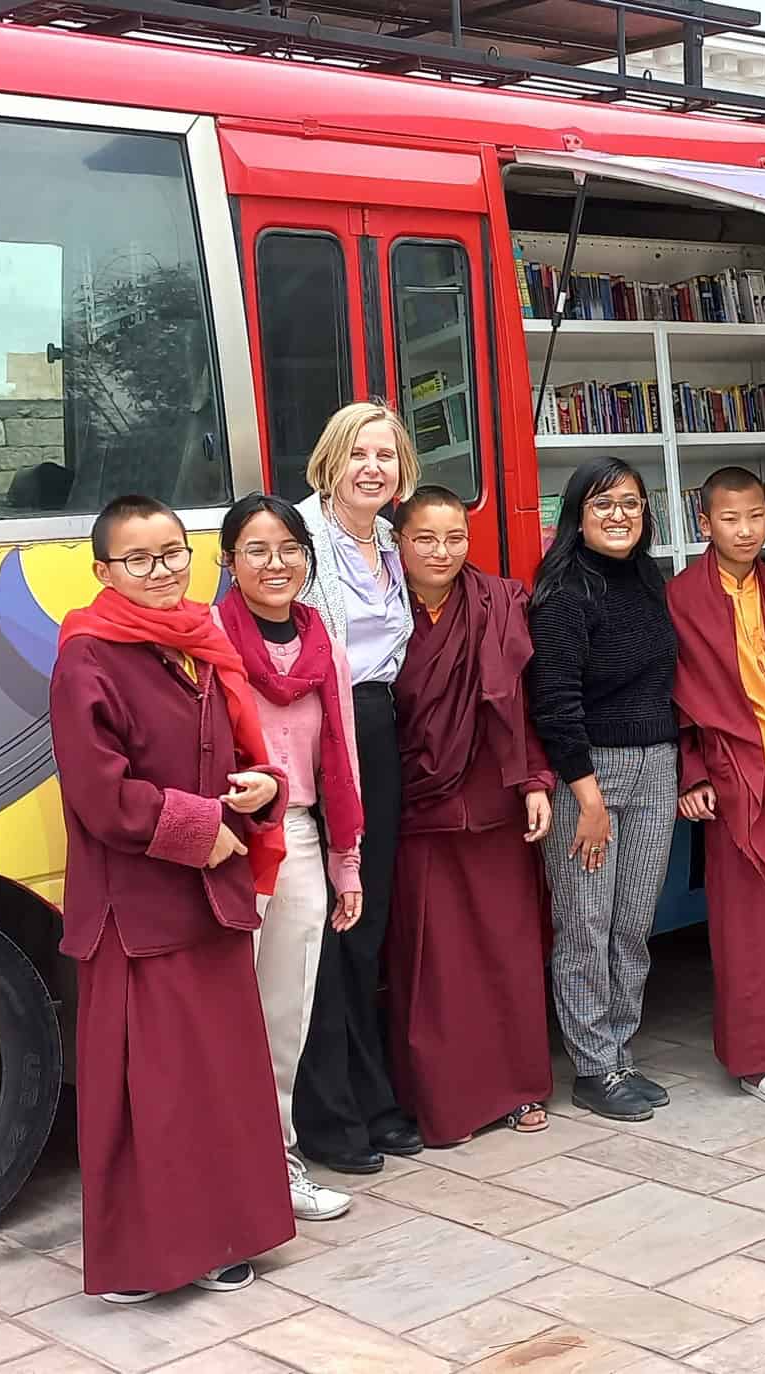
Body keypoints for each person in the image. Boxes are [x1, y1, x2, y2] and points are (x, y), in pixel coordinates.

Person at [49, 495, 295, 1303]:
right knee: (144, 1090)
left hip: (208, 902)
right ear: (103, 572)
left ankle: (226, 1238)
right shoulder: (87, 657)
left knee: (218, 1081)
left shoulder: (200, 637)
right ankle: (143, 1260)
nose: (161, 572)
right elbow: (99, 792)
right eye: (139, 559)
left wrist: (261, 791)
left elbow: (233, 748)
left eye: (172, 553)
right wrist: (202, 831)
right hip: (135, 905)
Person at [386, 486, 560, 1145]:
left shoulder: (501, 601)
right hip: (416, 806)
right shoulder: (378, 609)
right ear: (398, 541)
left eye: (454, 537)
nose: (441, 551)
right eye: (425, 538)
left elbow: (526, 701)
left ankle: (518, 1089)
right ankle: (445, 1100)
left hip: (494, 799)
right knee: (432, 963)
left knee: (506, 953)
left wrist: (536, 781)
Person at [212, 493, 360, 1223]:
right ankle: (222, 1172)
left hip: (297, 835)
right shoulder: (206, 636)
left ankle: (279, 1161)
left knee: (284, 1013)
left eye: (289, 549)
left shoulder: (318, 636)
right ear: (228, 561)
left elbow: (342, 750)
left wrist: (346, 859)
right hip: (228, 841)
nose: (276, 564)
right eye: (257, 550)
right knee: (219, 1012)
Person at [287, 402, 422, 1174]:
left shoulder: (390, 544)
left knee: (364, 928)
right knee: (324, 932)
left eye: (388, 455)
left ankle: (374, 1101)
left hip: (379, 730)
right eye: (359, 453)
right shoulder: (299, 539)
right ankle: (331, 1120)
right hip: (317, 739)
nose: (374, 467)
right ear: (331, 459)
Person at [527, 456, 681, 1123]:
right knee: (585, 924)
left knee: (631, 925)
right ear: (576, 517)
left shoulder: (650, 579)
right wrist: (587, 799)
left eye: (630, 503)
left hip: (656, 769)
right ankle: (592, 1068)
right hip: (591, 777)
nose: (618, 515)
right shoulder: (563, 592)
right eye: (602, 504)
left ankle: (619, 1052)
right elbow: (554, 701)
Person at [666, 467, 765, 1107]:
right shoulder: (682, 598)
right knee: (746, 920)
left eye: (756, 516)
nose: (746, 530)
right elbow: (673, 696)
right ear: (705, 523)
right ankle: (759, 1057)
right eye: (730, 518)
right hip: (734, 776)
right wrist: (694, 772)